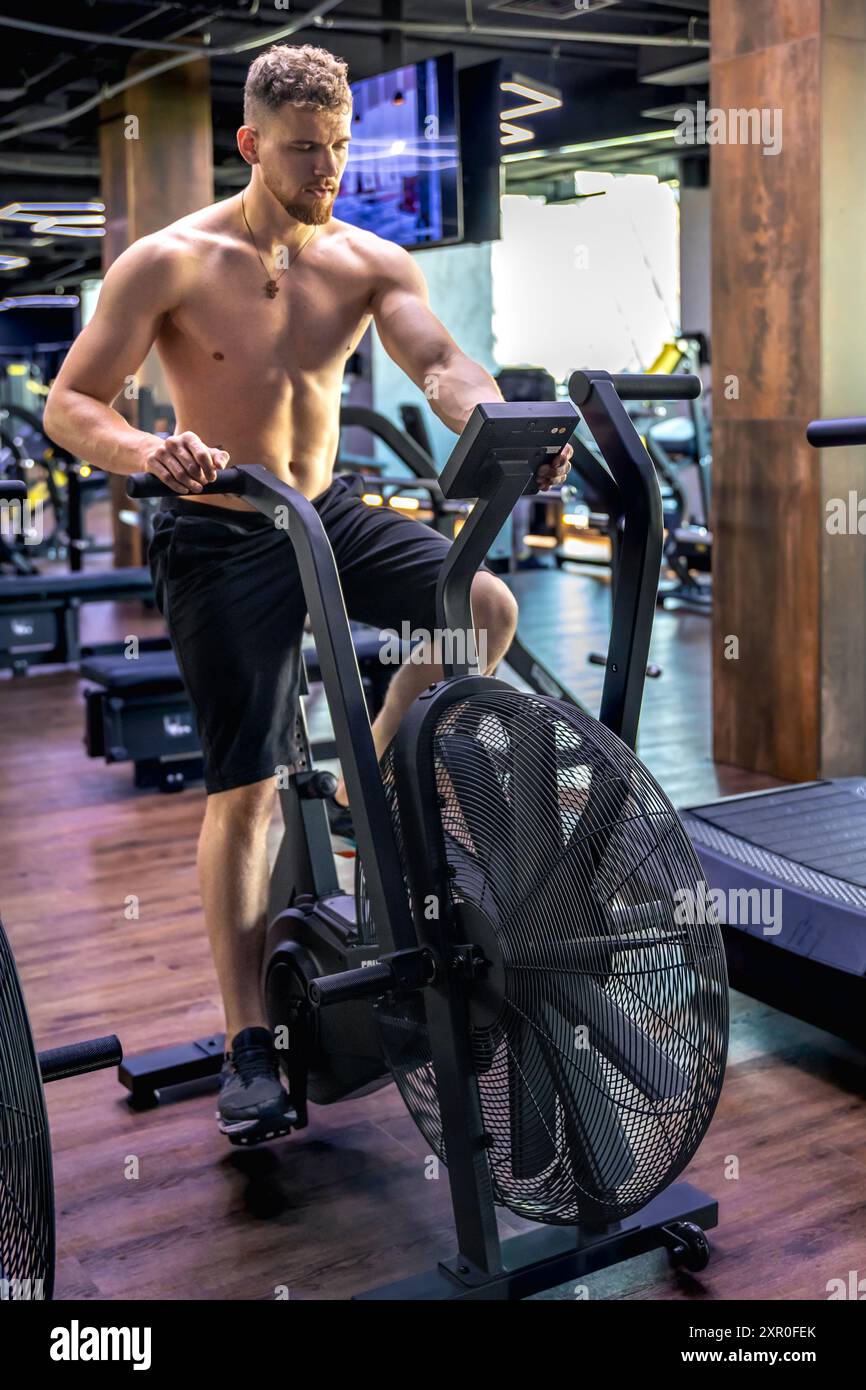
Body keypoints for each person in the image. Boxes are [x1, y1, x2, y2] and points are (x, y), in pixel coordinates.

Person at [44, 43, 572, 1145]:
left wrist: (495, 425)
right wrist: (149, 452)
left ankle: (370, 773)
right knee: (242, 788)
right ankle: (245, 1035)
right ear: (249, 145)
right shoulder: (168, 263)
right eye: (303, 152)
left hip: (319, 509)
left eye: (339, 149)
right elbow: (72, 403)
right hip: (221, 528)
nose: (327, 170)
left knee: (478, 607)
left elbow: (438, 362)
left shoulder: (369, 261)